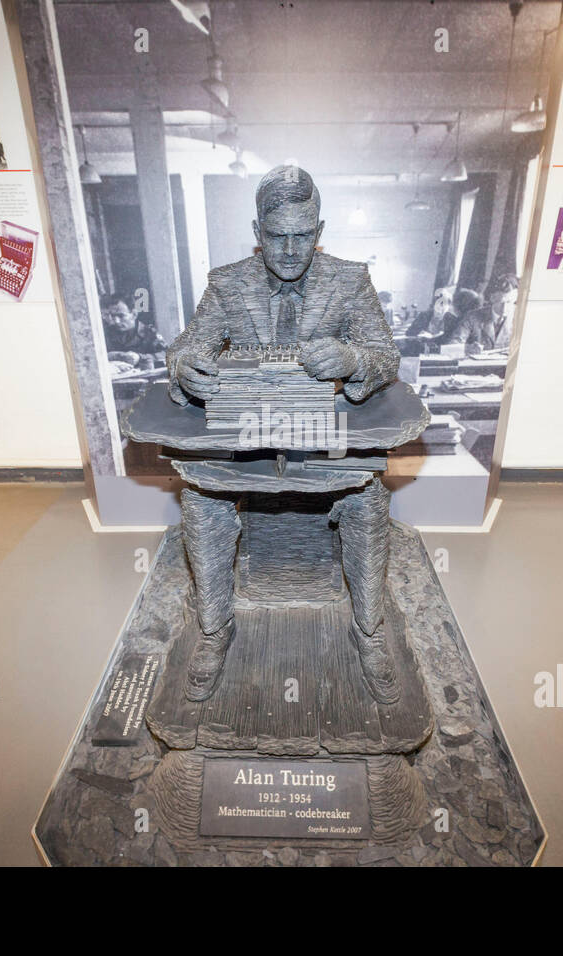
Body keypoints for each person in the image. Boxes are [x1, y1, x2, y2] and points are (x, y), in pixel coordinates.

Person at [165, 165, 401, 703]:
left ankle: (369, 631)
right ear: (256, 229)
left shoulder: (349, 280)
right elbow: (185, 346)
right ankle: (214, 629)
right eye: (277, 236)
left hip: (320, 432)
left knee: (368, 499)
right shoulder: (228, 283)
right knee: (201, 502)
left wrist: (352, 359)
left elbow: (386, 357)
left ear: (320, 230)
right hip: (247, 434)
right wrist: (185, 367)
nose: (291, 250)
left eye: (303, 235)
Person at [101, 293, 165, 370]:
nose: (116, 321)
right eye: (113, 316)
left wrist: (140, 357)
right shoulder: (107, 333)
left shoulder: (148, 332)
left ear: (134, 314)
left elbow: (166, 354)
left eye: (121, 316)